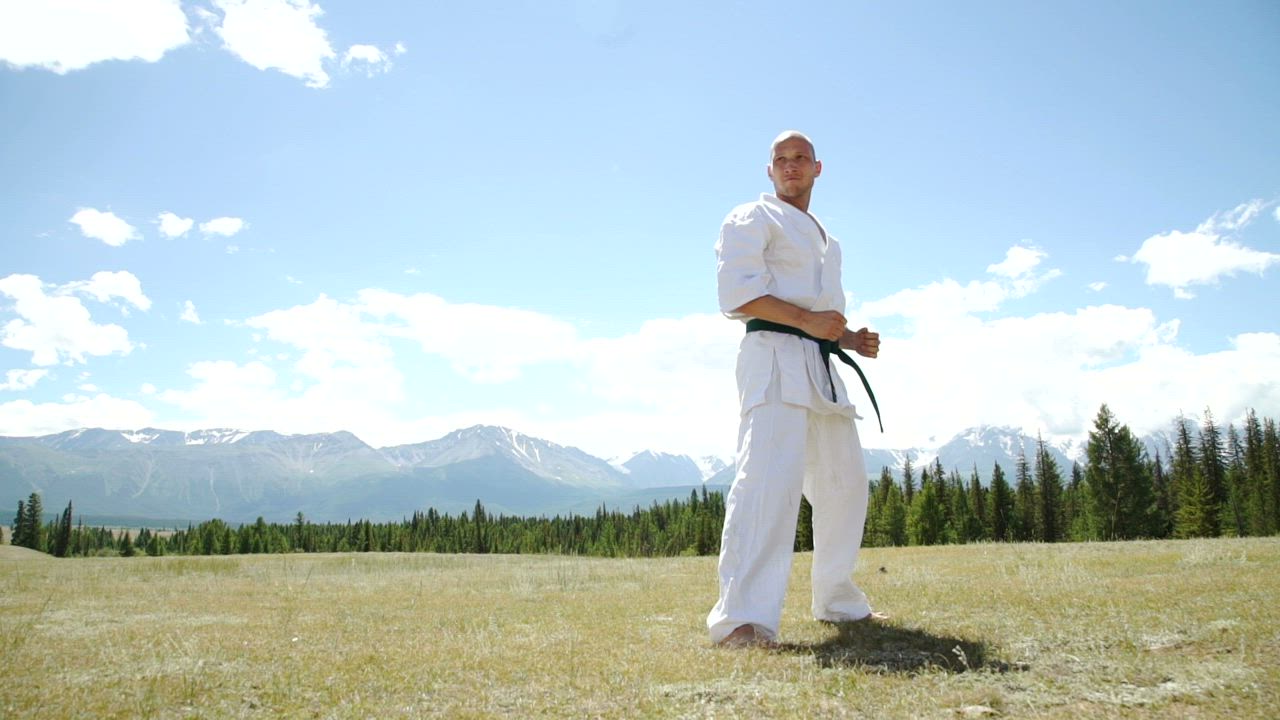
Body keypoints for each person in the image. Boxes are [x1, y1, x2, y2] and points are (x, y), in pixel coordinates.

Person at [707, 130, 882, 647]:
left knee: (844, 482)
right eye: (780, 160)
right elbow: (738, 295)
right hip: (772, 360)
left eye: (800, 158)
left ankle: (837, 599)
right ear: (769, 171)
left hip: (818, 365)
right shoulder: (751, 218)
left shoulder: (830, 240)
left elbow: (819, 312)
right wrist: (808, 320)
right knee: (766, 484)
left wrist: (848, 337)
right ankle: (741, 619)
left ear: (817, 168)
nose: (790, 166)